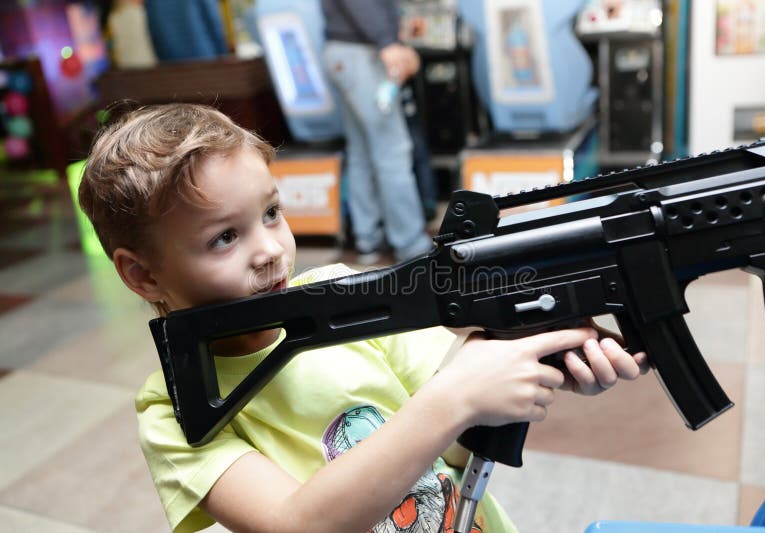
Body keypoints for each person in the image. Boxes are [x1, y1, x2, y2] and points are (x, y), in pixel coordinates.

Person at [79, 103, 648, 532]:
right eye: (225, 236)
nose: (270, 250)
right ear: (143, 276)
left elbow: (451, 442)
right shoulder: (171, 415)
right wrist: (459, 395)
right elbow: (293, 524)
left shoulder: (343, 297)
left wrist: (532, 348)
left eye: (271, 213)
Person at [320, 0, 432, 264]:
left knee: (362, 153)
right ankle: (412, 246)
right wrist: (387, 41)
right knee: (393, 151)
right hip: (362, 55)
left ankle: (367, 240)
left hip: (345, 53)